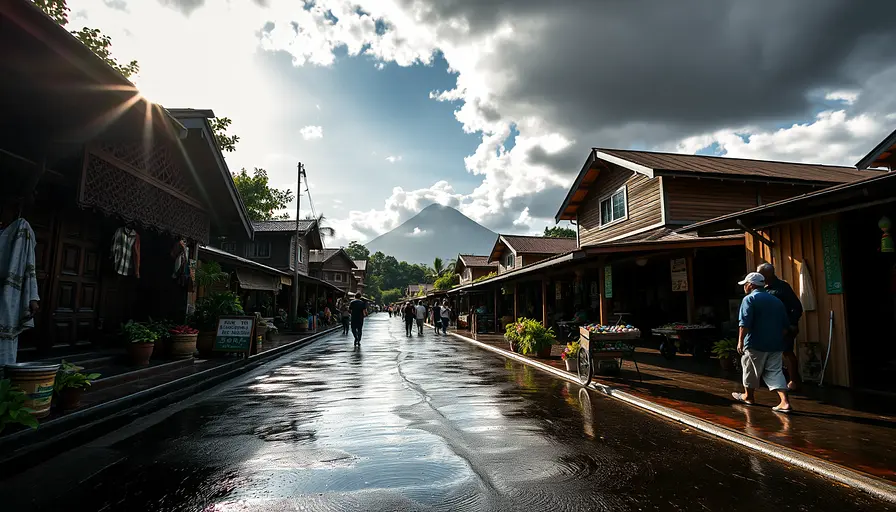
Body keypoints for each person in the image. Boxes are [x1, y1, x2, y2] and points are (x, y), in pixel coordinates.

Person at [732, 272, 793, 413]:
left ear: (751, 285)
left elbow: (744, 323)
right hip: (776, 344)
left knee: (750, 370)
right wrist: (777, 338)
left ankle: (748, 396)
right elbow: (785, 325)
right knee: (775, 371)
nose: (744, 287)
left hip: (755, 343)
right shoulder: (776, 301)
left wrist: (740, 341)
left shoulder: (749, 299)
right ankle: (784, 402)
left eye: (745, 284)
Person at [757, 263, 804, 391]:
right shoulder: (761, 287)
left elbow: (797, 307)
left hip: (784, 326)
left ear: (769, 273)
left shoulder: (782, 287)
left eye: (761, 273)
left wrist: (791, 324)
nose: (759, 275)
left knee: (787, 351)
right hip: (767, 327)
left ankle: (793, 381)